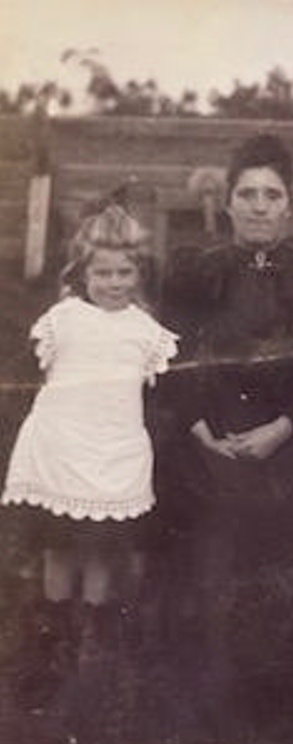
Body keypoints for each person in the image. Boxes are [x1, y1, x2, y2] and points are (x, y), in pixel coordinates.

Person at [164, 133, 293, 742]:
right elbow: (170, 360)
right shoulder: (195, 271)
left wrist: (281, 429)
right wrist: (202, 433)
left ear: (289, 206)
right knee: (217, 589)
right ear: (228, 204)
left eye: (272, 195)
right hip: (215, 454)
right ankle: (222, 727)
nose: (258, 205)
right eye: (247, 194)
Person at [1, 204, 178, 689]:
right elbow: (32, 375)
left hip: (112, 453)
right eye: (103, 272)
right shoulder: (63, 319)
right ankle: (53, 640)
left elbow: (151, 394)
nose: (114, 283)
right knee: (59, 552)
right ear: (83, 272)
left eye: (125, 272)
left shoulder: (147, 331)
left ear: (139, 273)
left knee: (100, 553)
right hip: (61, 450)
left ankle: (90, 641)